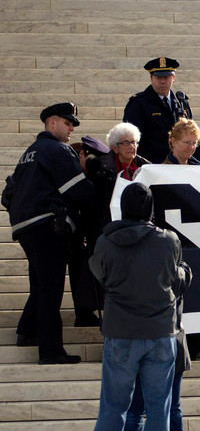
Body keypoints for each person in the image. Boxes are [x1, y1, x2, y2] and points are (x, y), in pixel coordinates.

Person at [85, 183, 191, 431]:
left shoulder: (106, 242)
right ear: (150, 210)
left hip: (121, 333)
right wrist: (184, 272)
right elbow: (176, 278)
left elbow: (99, 274)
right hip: (160, 333)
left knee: (113, 406)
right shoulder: (168, 240)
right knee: (160, 406)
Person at [7, 103, 96, 364]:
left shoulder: (30, 152)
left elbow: (10, 193)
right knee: (50, 290)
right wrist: (90, 177)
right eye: (67, 123)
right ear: (52, 123)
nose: (71, 129)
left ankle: (27, 331)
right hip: (48, 227)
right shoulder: (57, 150)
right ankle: (50, 351)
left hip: (27, 227)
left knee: (40, 284)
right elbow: (81, 193)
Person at [160, 117, 200, 362]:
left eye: (194, 143)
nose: (191, 148)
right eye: (186, 142)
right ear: (173, 142)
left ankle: (196, 345)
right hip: (168, 245)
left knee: (196, 294)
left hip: (194, 243)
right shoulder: (156, 171)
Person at [66, 136, 110, 328]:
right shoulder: (70, 168)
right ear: (82, 154)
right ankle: (83, 311)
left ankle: (85, 310)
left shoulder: (94, 173)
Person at [123, 57, 199, 164]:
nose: (163, 82)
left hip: (181, 164)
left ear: (173, 78)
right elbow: (131, 140)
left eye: (167, 78)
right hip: (152, 165)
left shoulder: (181, 102)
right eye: (158, 78)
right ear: (151, 78)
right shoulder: (138, 103)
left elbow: (193, 135)